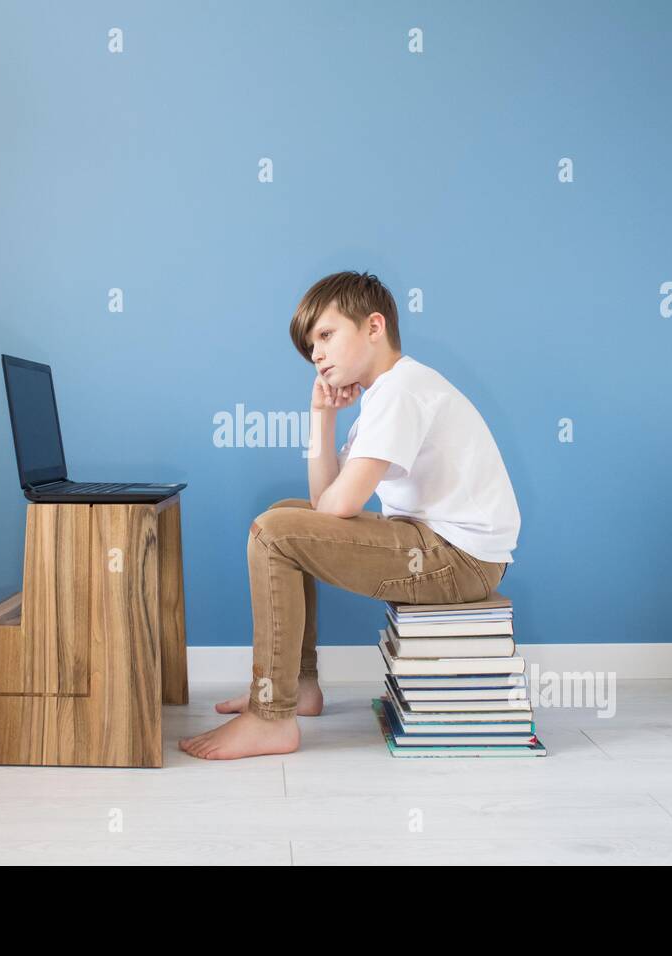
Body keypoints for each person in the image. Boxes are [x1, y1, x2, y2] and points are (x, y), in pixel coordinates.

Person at [179, 270, 521, 759]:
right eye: (309, 346)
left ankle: (271, 715)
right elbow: (323, 503)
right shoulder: (386, 393)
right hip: (436, 546)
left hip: (458, 559)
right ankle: (300, 687)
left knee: (274, 533)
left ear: (374, 327)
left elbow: (338, 506)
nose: (316, 354)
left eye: (325, 335)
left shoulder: (400, 391)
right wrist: (323, 415)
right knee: (283, 515)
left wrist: (329, 484)